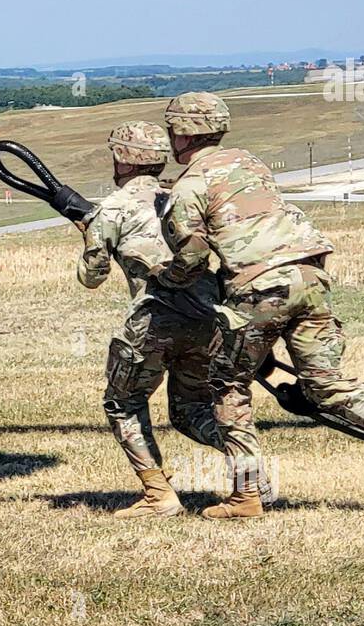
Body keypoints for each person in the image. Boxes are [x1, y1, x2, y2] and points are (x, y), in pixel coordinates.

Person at [157, 92, 364, 519]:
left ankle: (245, 496)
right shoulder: (250, 163)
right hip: (310, 276)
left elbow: (191, 256)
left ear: (180, 133)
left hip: (259, 286)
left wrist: (166, 279)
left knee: (227, 385)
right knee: (329, 385)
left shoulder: (189, 186)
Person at [77, 122, 252, 518]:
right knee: (192, 412)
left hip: (153, 324)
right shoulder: (184, 196)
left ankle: (158, 494)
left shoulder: (112, 210)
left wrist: (89, 237)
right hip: (208, 323)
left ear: (121, 159)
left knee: (123, 403)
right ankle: (248, 474)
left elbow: (92, 278)